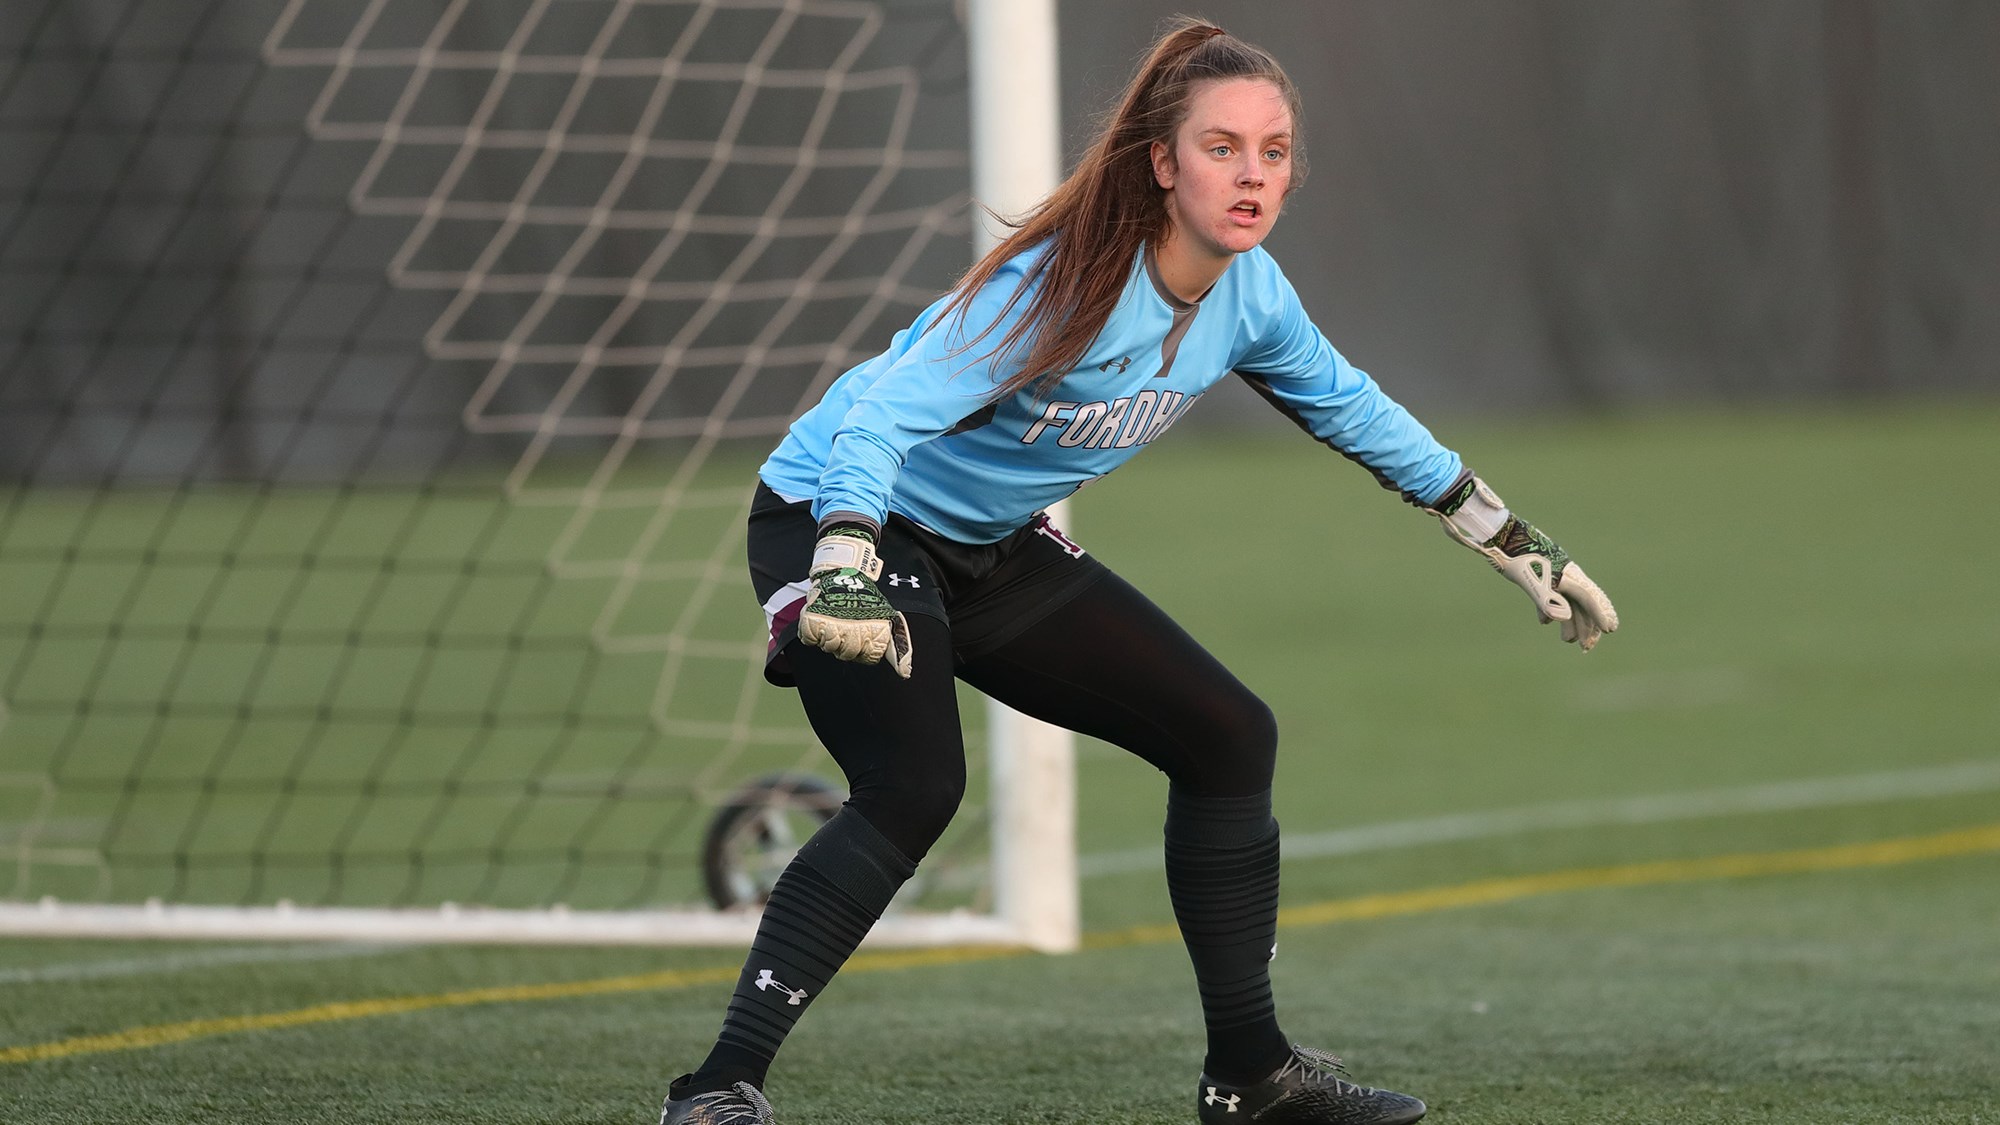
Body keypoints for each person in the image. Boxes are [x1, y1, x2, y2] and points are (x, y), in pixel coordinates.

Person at [658, 17, 1617, 1125]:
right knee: (914, 787)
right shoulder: (1056, 285)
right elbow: (875, 417)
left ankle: (1249, 1078)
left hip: (995, 546)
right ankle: (717, 1087)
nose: (1252, 173)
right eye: (1221, 147)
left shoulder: (1250, 296)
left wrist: (1507, 538)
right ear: (1162, 164)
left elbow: (1356, 411)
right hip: (842, 520)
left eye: (1272, 149)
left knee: (1225, 734)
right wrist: (841, 559)